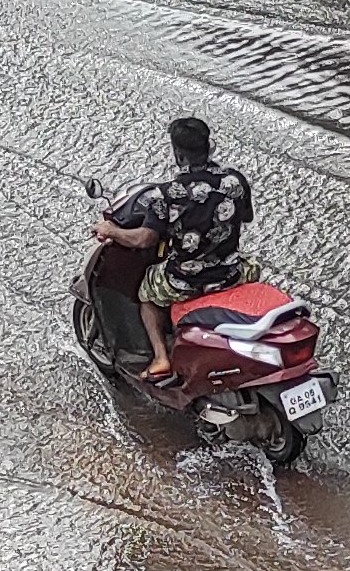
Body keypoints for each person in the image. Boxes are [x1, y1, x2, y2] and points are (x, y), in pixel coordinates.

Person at [93, 117, 255, 381]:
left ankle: (160, 358)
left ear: (178, 154)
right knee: (251, 264)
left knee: (147, 293)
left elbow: (143, 240)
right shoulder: (235, 181)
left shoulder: (168, 195)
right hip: (230, 271)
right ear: (209, 147)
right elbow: (245, 217)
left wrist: (111, 231)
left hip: (188, 279)